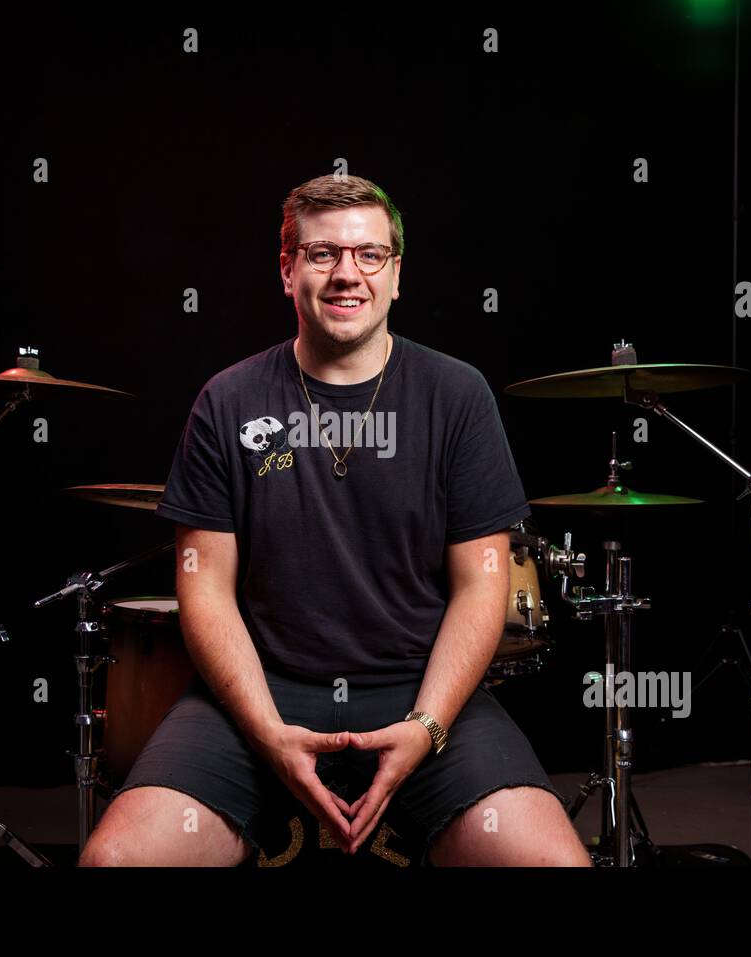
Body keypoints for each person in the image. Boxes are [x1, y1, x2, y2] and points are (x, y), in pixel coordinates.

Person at [80, 174, 591, 866]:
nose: (346, 274)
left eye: (369, 255)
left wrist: (427, 725)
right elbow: (204, 589)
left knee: (552, 863)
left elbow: (482, 586)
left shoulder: (457, 396)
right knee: (116, 859)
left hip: (421, 690)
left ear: (396, 273)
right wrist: (265, 731)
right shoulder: (226, 401)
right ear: (287, 270)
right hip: (260, 692)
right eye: (323, 255)